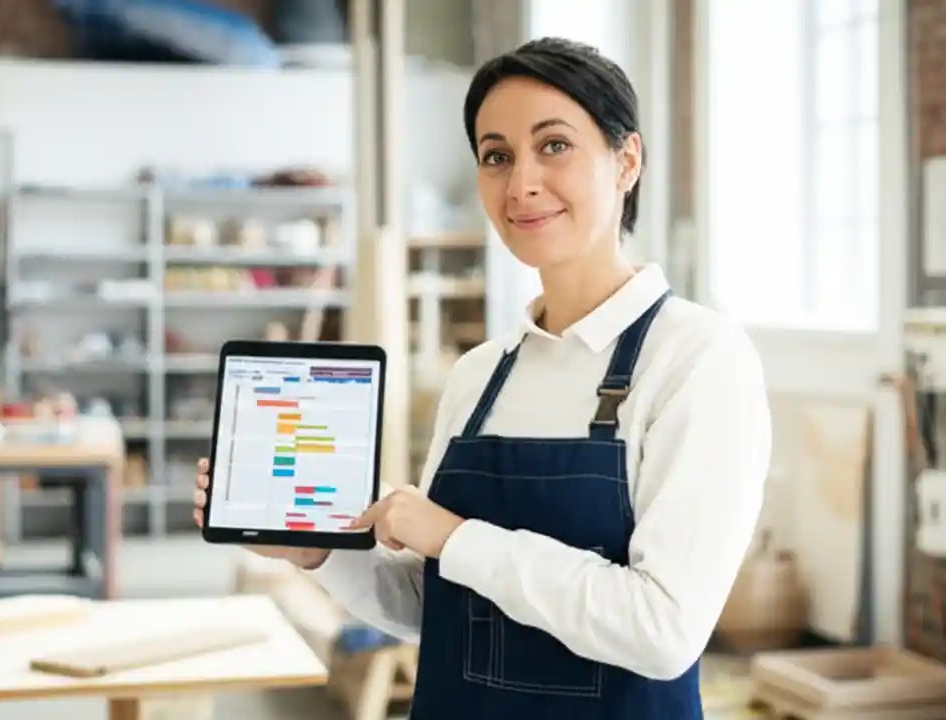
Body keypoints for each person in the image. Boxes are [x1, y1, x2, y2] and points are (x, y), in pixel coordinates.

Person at [193, 36, 771, 720]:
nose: (521, 182)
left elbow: (663, 630)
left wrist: (454, 536)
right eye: (496, 156)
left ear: (627, 160)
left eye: (553, 145)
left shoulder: (698, 357)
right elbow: (438, 610)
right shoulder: (480, 376)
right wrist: (321, 552)